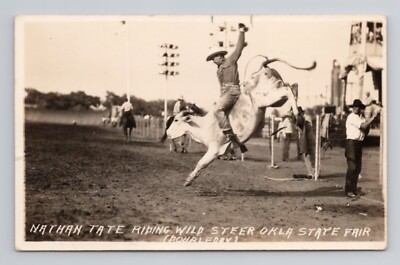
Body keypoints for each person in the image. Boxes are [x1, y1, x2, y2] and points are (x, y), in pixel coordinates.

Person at [206, 22, 248, 143]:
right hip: (225, 93)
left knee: (217, 110)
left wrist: (241, 32)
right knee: (218, 111)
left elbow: (238, 48)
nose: (213, 60)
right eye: (212, 59)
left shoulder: (231, 60)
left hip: (232, 91)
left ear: (220, 56)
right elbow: (221, 87)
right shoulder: (218, 70)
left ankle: (228, 132)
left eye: (214, 58)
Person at [344, 99, 378, 198]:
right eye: (354, 106)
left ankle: (353, 189)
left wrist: (369, 122)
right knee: (352, 167)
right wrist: (372, 119)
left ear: (360, 108)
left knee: (357, 169)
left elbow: (366, 131)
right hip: (351, 143)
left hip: (359, 143)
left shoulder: (361, 118)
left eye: (357, 107)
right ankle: (348, 190)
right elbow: (363, 127)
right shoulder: (352, 117)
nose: (355, 108)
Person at [296, 107, 316, 179]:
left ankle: (312, 172)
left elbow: (302, 125)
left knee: (308, 155)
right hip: (307, 137)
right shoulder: (304, 118)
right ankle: (312, 172)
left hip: (307, 138)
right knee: (308, 156)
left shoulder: (304, 118)